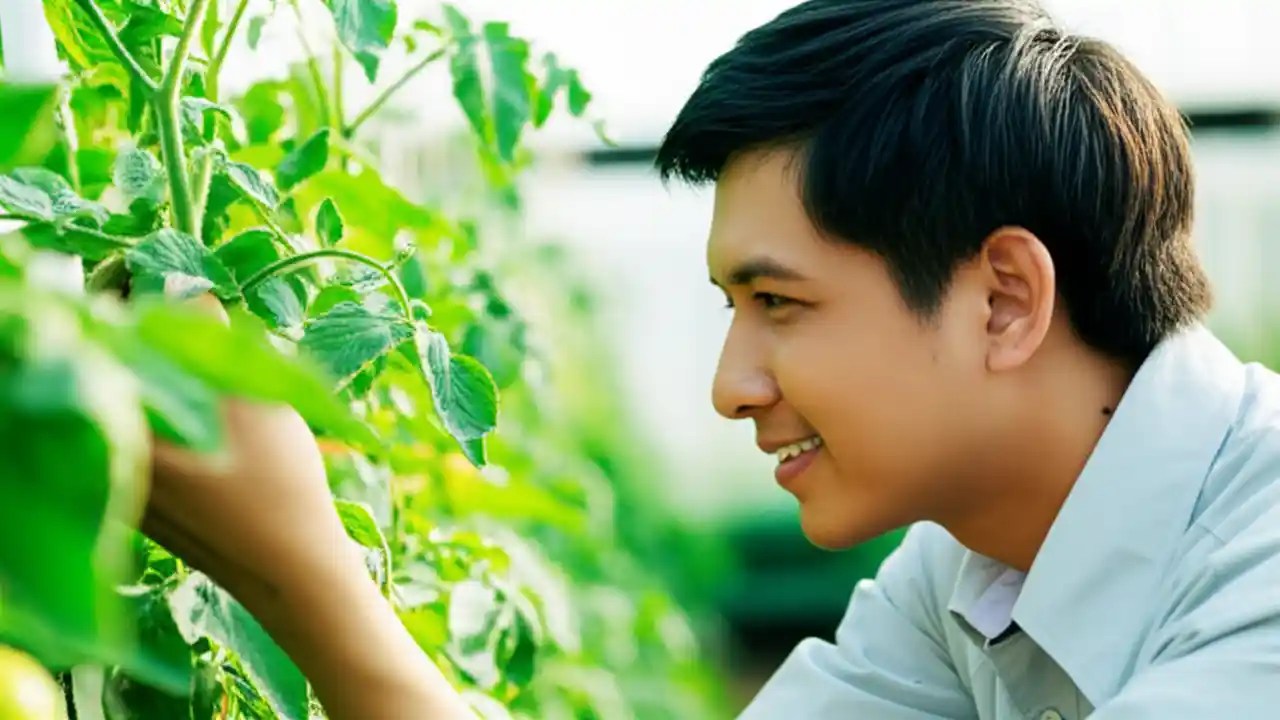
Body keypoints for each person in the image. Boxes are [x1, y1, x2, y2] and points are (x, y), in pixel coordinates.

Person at [146, 0, 1280, 718]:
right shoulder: (962, 577)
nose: (729, 385)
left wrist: (301, 573)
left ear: (1003, 302)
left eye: (778, 301)